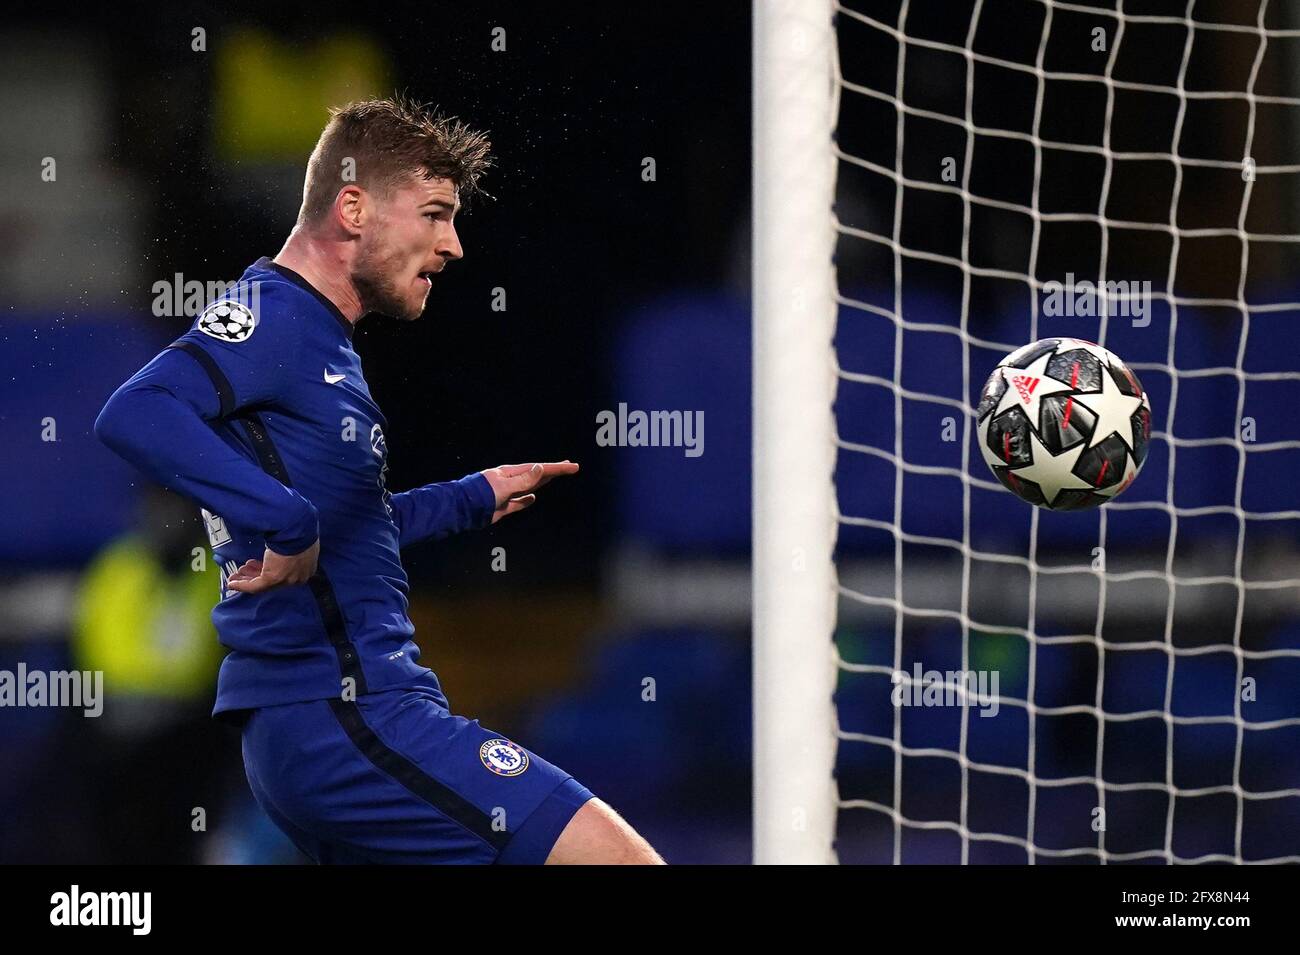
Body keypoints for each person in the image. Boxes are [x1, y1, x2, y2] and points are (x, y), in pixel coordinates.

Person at [95, 95, 663, 865]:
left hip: (318, 728)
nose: (453, 244)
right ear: (354, 207)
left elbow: (348, 528)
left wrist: (468, 497)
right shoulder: (275, 315)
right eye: (434, 213)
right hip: (349, 716)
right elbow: (135, 412)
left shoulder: (323, 342)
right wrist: (286, 517)